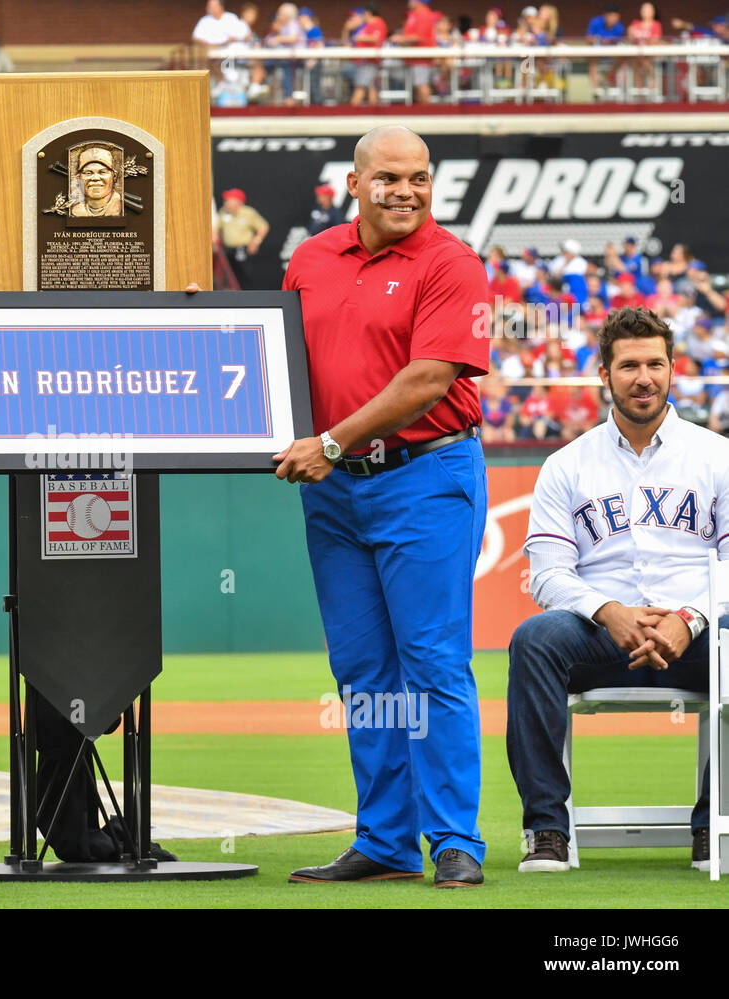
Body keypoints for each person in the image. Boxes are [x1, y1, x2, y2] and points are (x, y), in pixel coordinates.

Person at [276, 125, 490, 888]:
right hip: (335, 492)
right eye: (390, 178)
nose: (406, 191)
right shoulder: (310, 258)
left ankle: (455, 838)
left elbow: (427, 381)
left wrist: (328, 443)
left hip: (425, 474)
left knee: (431, 664)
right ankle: (386, 838)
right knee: (364, 672)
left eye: (420, 178)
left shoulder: (451, 263)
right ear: (356, 182)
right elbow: (276, 361)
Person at [508, 307, 729, 873]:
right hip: (599, 637)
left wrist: (692, 618)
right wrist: (608, 612)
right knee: (534, 640)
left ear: (673, 370)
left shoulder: (717, 456)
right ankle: (547, 831)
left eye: (655, 363)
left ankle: (715, 825)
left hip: (700, 638)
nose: (644, 377)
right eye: (628, 365)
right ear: (604, 373)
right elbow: (548, 573)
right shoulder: (566, 464)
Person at [214, 187, 269, 289]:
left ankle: (248, 297)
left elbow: (263, 227)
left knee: (244, 275)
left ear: (238, 201)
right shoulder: (223, 212)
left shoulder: (248, 213)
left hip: (243, 249)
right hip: (228, 250)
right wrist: (215, 235)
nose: (225, 202)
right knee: (230, 277)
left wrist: (256, 242)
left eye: (228, 200)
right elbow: (216, 227)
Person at [390, 0, 439, 104]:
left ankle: (428, 113)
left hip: (422, 56)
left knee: (422, 84)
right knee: (417, 86)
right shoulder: (414, 14)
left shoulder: (424, 14)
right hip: (413, 57)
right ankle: (421, 112)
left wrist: (400, 39)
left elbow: (419, 37)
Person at [70, 146, 122, 217]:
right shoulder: (75, 210)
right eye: (88, 173)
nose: (95, 178)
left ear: (114, 176)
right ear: (79, 178)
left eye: (103, 172)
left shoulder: (120, 206)